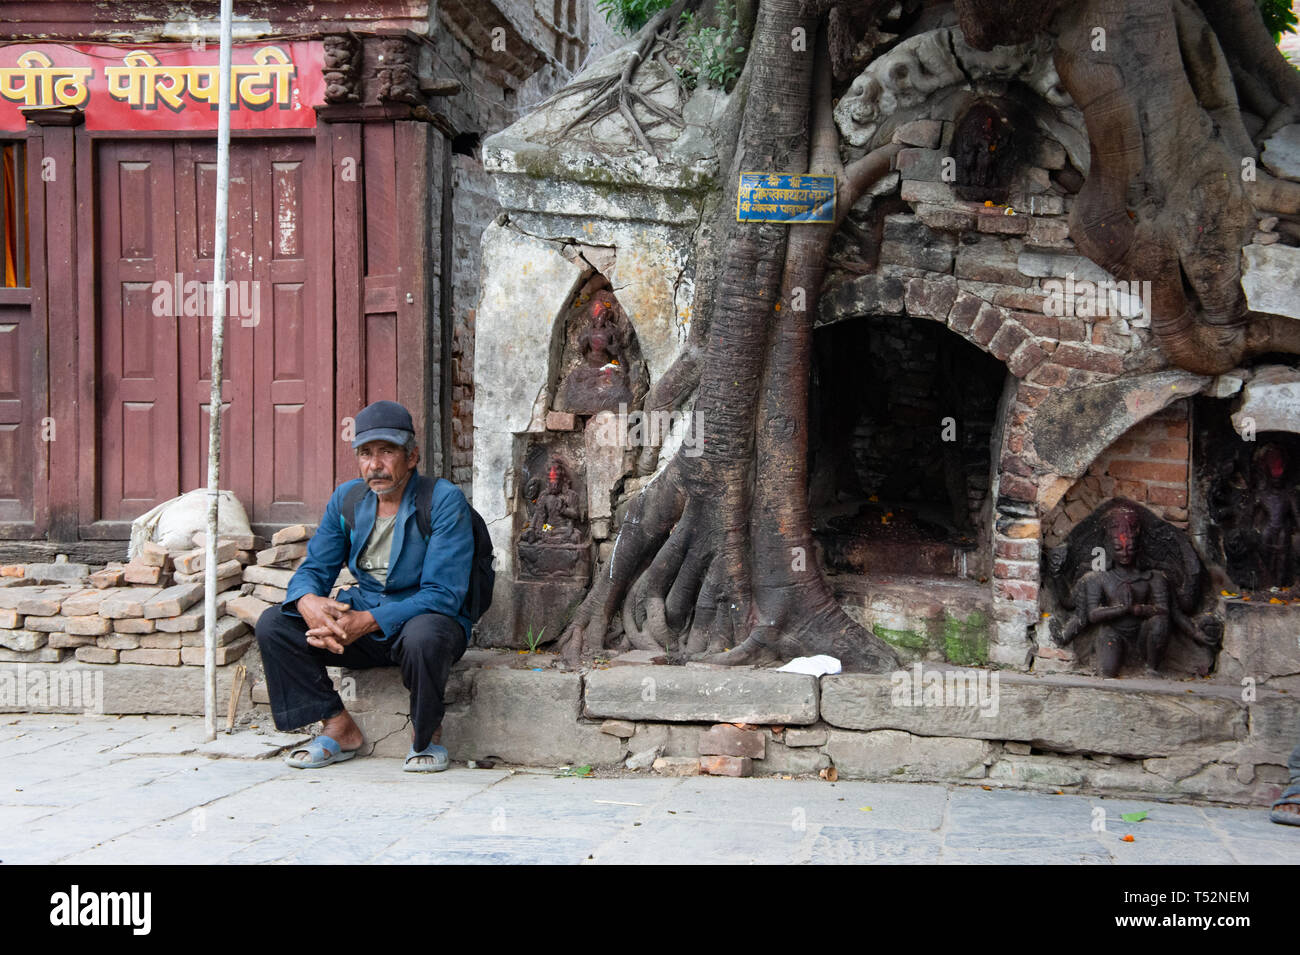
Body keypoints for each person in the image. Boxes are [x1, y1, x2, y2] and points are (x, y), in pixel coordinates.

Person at [254, 400, 475, 772]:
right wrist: (308, 600)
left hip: (422, 618)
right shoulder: (348, 499)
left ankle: (427, 735)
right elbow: (315, 568)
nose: (375, 464)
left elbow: (443, 594)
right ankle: (338, 726)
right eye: (366, 453)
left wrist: (367, 620)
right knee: (275, 624)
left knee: (426, 636)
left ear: (412, 456)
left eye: (387, 452)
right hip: (362, 619)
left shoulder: (442, 500)